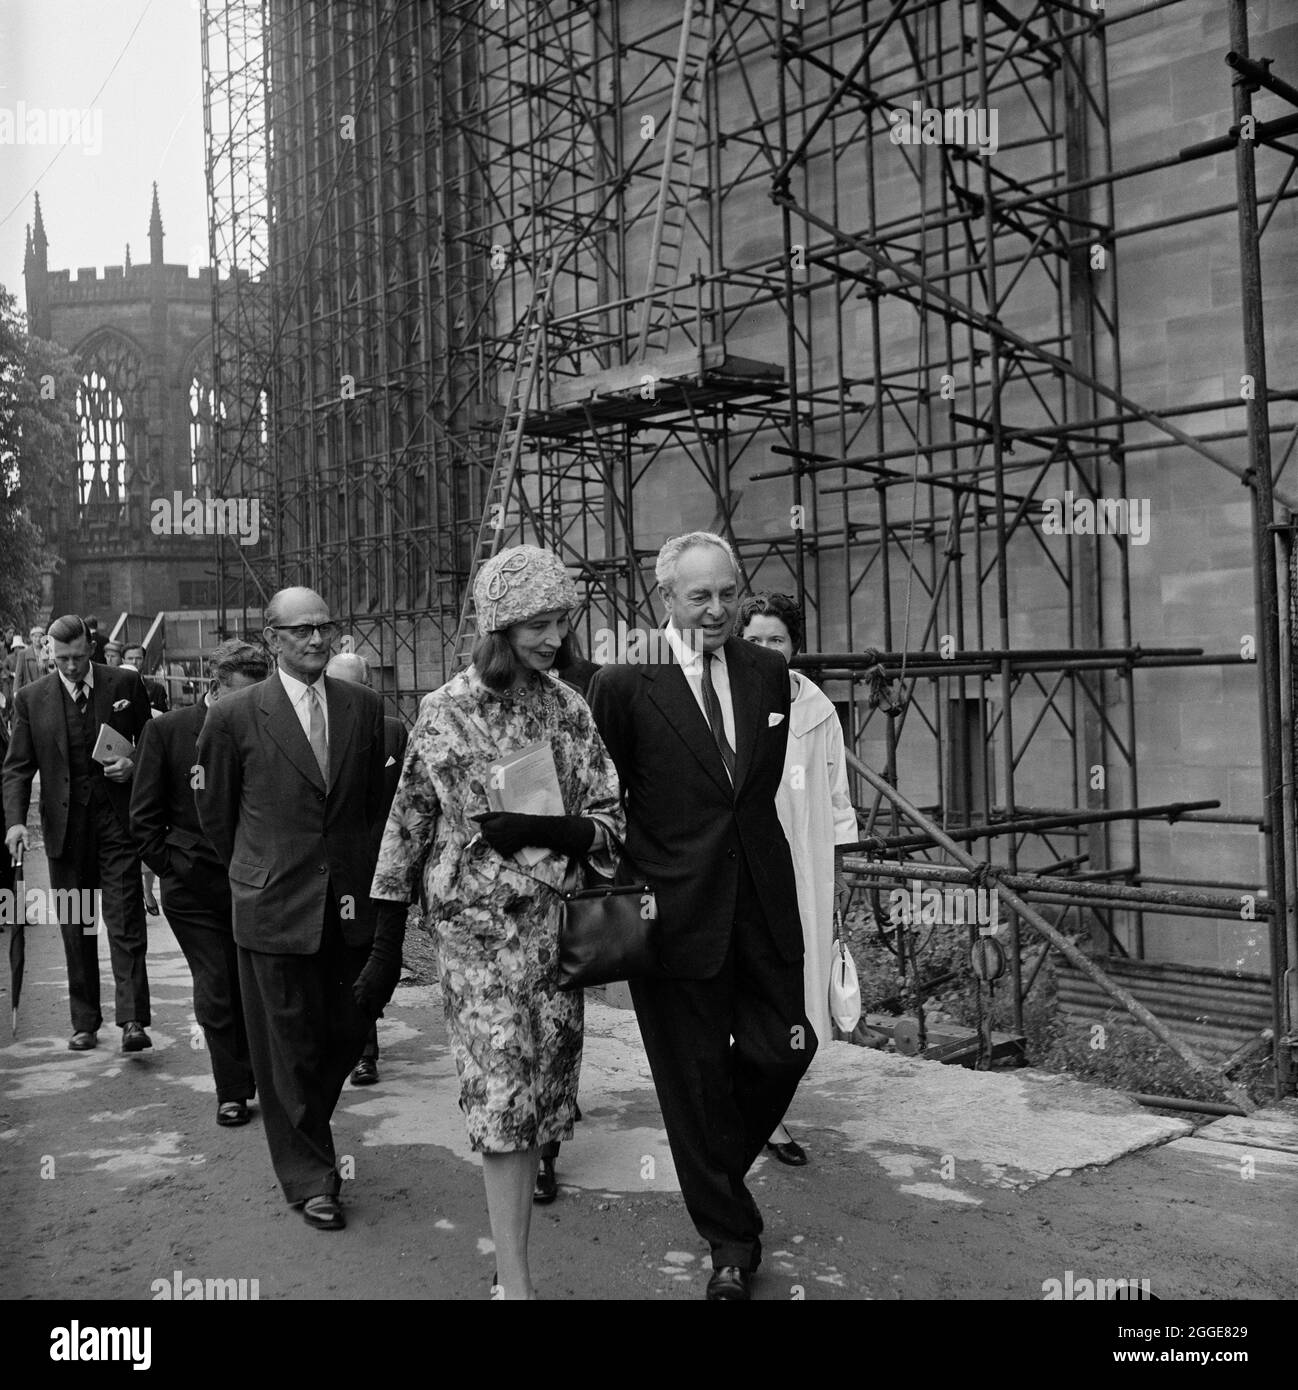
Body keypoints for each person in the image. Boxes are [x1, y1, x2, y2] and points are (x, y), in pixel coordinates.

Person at [364, 544, 623, 1300]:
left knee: (541, 1109)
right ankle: (516, 1283)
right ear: (498, 626)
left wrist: (561, 833)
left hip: (553, 944)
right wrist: (383, 945)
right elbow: (406, 825)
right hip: (475, 944)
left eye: (561, 623)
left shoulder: (568, 710)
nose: (554, 639)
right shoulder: (442, 713)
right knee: (503, 1106)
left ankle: (517, 1263)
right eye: (538, 623)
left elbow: (612, 820)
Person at [587, 531, 815, 1301]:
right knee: (690, 1078)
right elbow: (606, 802)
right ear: (665, 601)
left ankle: (715, 1166)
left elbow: (755, 794)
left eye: (728, 593)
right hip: (674, 917)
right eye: (699, 597)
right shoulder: (624, 686)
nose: (717, 610)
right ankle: (730, 1241)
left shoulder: (768, 674)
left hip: (762, 907)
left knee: (786, 1047)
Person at [195, 588, 386, 1231]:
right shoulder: (234, 716)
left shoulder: (364, 707)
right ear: (271, 638)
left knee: (345, 1031)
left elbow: (370, 808)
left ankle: (310, 1126)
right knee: (285, 1047)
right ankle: (312, 1177)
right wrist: (258, 870)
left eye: (324, 627)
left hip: (349, 904)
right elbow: (218, 815)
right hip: (272, 904)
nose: (316, 639)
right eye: (301, 630)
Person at [738, 592, 857, 1166]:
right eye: (754, 639)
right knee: (746, 996)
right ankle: (763, 1121)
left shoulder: (817, 712)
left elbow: (837, 801)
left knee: (800, 1004)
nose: (764, 650)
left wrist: (840, 876)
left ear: (795, 647)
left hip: (802, 874)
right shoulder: (725, 703)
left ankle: (767, 1113)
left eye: (775, 640)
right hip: (741, 875)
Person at [130, 639, 267, 1128]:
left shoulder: (266, 726)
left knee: (255, 983)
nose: (252, 705)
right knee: (216, 983)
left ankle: (262, 1078)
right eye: (242, 696)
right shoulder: (167, 731)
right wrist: (171, 868)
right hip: (193, 888)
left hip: (255, 881)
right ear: (215, 687)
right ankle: (231, 1089)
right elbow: (143, 818)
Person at [2, 614, 154, 1051]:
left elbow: (151, 741)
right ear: (49, 652)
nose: (70, 666)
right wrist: (14, 822)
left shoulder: (123, 686)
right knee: (76, 921)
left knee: (126, 920)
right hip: (66, 830)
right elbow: (16, 769)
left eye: (77, 657)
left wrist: (133, 763)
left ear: (90, 648)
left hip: (117, 822)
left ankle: (132, 1021)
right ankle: (84, 1021)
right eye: (61, 658)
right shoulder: (31, 699)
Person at [324, 649, 408, 1087]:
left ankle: (365, 1051)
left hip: (379, 864)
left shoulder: (393, 732)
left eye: (354, 685)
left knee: (366, 954)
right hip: (328, 866)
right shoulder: (319, 734)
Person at [123, 644, 169, 715]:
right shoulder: (115, 687)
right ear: (123, 661)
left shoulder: (157, 689)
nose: (134, 662)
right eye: (130, 658)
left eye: (138, 658)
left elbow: (164, 717)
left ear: (144, 660)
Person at [11, 626, 46, 694]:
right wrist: (16, 691)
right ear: (31, 638)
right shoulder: (23, 653)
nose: (38, 639)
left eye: (40, 637)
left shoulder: (48, 652)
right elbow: (18, 674)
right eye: (35, 637)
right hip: (29, 690)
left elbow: (53, 672)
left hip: (44, 689)